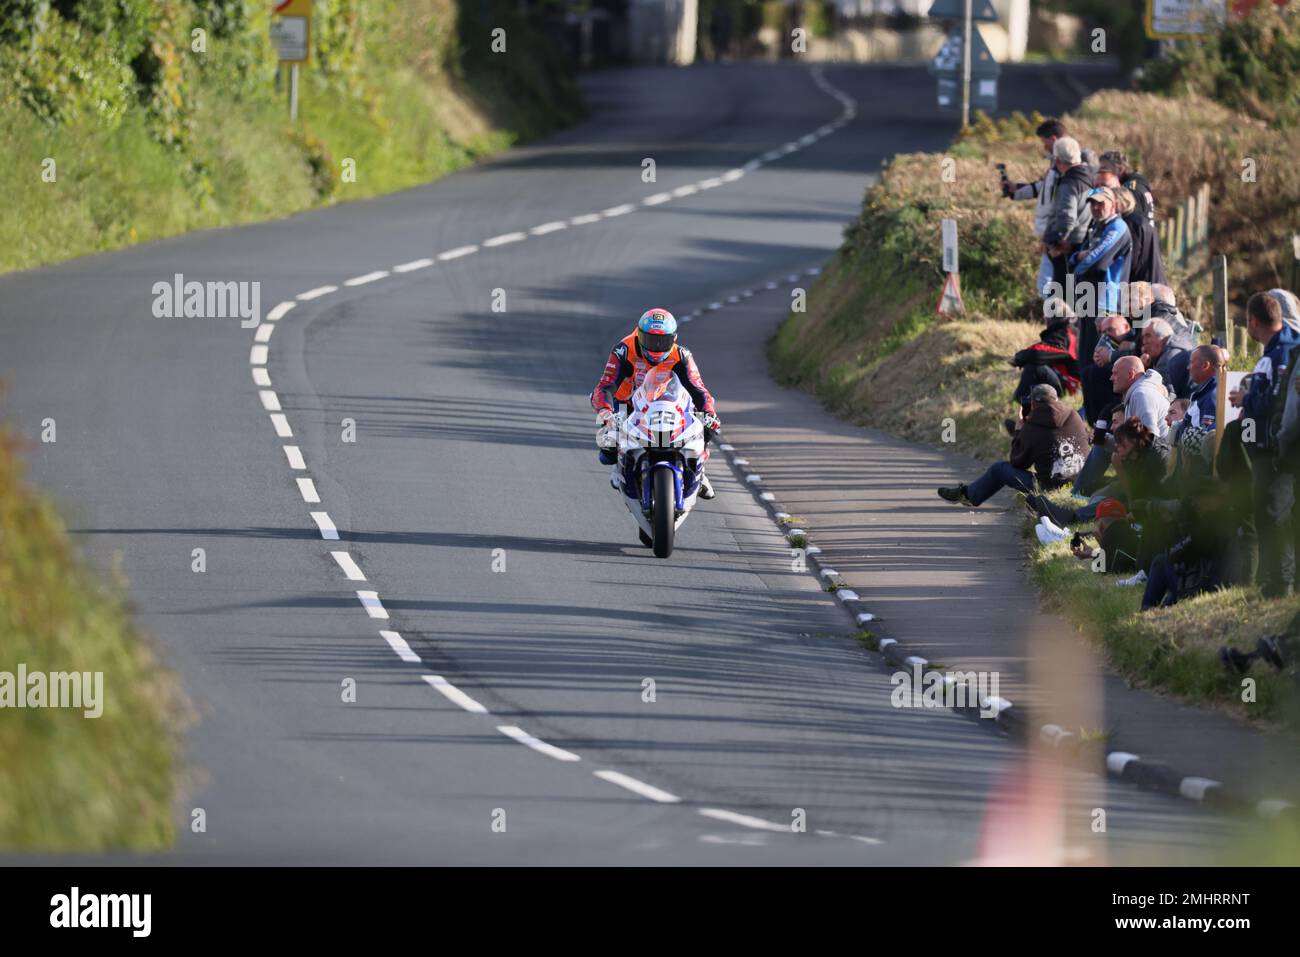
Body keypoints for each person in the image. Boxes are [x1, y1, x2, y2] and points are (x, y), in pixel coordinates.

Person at [591, 308, 721, 497]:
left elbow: (699, 390)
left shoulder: (682, 355)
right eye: (650, 341)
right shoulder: (624, 350)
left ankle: (699, 471)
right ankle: (621, 466)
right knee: (607, 452)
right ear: (639, 336)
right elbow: (604, 386)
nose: (656, 348)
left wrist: (709, 412)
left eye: (663, 342)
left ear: (674, 339)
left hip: (669, 401)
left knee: (707, 424)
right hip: (628, 403)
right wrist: (605, 411)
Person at [1231, 292, 1300, 596]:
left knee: (1275, 517)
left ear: (1253, 321)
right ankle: (1272, 580)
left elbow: (1276, 403)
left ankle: (1280, 584)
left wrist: (1246, 399)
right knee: (1265, 514)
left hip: (1274, 452)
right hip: (1263, 449)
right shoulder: (1273, 351)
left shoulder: (1283, 352)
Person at [937, 383, 1088, 506]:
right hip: (1081, 481)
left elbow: (1017, 462)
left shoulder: (1033, 426)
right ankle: (968, 494)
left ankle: (968, 495)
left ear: (1034, 403)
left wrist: (1019, 431)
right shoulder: (1073, 415)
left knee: (999, 469)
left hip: (1050, 487)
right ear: (1056, 399)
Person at [1003, 118, 1066, 298]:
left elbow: (1060, 205)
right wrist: (1016, 190)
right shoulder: (1056, 167)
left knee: (1048, 286)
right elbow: (1043, 189)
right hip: (1052, 235)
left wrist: (1052, 238)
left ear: (1053, 139)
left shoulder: (1064, 169)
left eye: (1044, 142)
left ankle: (1059, 322)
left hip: (1057, 237)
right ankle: (1058, 321)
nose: (1044, 147)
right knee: (1049, 286)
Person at [1041, 137, 1094, 295]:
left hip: (1068, 246)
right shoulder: (1090, 177)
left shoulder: (1069, 183)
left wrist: (1057, 240)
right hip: (1084, 242)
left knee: (1060, 292)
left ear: (1058, 161)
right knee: (1076, 292)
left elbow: (1066, 218)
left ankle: (1059, 320)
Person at [1009, 300, 1079, 415]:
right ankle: (1028, 417)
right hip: (1063, 378)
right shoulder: (1064, 331)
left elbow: (1040, 352)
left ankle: (1021, 408)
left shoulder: (1067, 333)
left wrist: (1020, 358)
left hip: (1070, 385)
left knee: (1034, 367)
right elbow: (1043, 348)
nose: (1045, 319)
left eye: (1047, 316)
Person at [1114, 183, 1166, 286]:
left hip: (1142, 284)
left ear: (1122, 202)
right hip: (1152, 279)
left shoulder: (1130, 224)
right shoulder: (1139, 220)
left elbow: (1132, 258)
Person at [1097, 150, 1156, 228]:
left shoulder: (1131, 190)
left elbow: (1132, 222)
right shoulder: (1137, 185)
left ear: (1120, 169)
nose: (1101, 173)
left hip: (1137, 236)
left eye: (1105, 169)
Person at [1140, 312, 1190, 400]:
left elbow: (1164, 393)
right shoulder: (1175, 347)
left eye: (1148, 336)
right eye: (1143, 337)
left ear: (1163, 337)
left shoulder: (1170, 357)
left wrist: (1141, 369)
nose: (1144, 342)